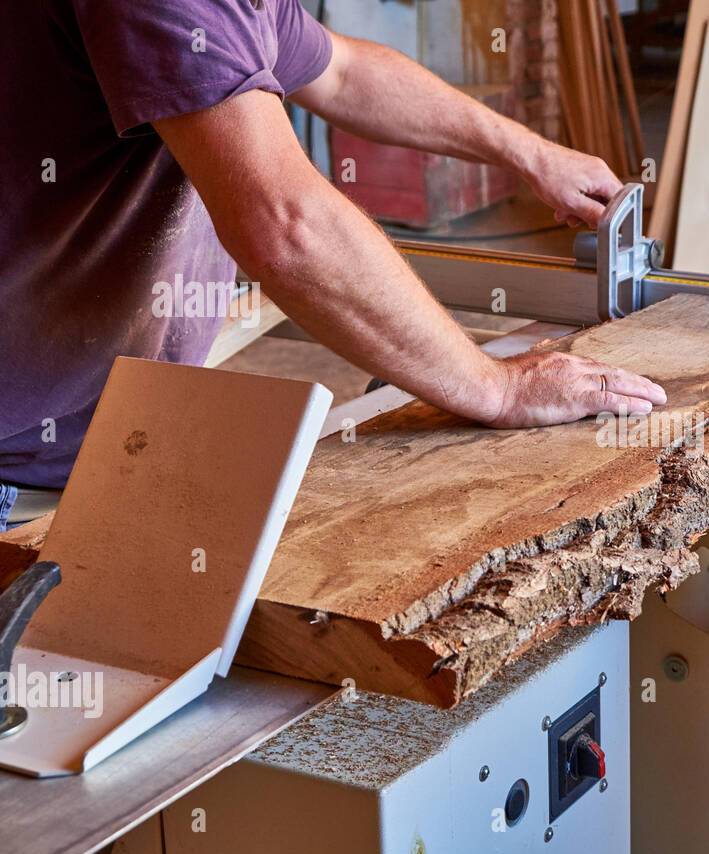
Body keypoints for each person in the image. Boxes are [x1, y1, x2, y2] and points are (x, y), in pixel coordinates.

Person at [0, 0, 666, 531]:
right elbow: (286, 226)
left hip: (101, 430)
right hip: (18, 456)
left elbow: (341, 71)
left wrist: (528, 153)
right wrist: (498, 389)